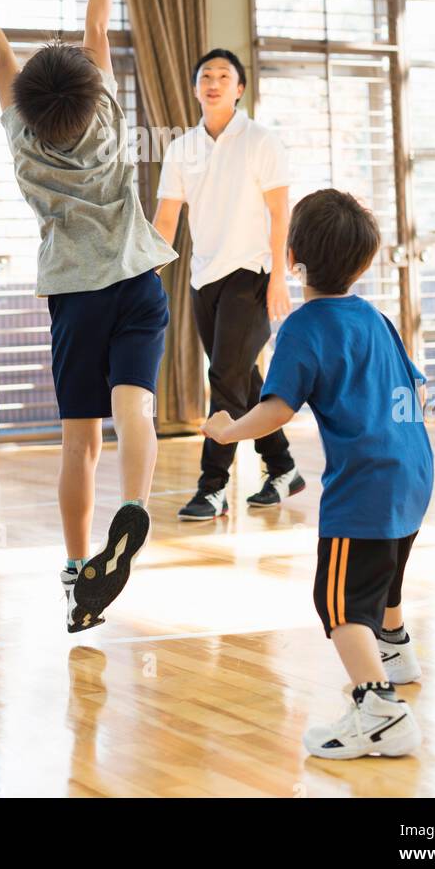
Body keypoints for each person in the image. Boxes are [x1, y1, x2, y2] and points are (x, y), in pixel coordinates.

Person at [0, 0, 177, 633]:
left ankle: (78, 572)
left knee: (79, 441)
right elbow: (97, 23)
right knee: (134, 408)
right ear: (86, 84)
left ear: (28, 102)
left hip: (76, 296)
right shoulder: (105, 111)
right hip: (137, 279)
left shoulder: (20, 132)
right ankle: (132, 506)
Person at [203, 189, 434, 759]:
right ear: (365, 261)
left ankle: (379, 709)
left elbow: (278, 408)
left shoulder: (304, 327)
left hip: (364, 485)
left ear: (292, 256)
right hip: (415, 470)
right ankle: (396, 647)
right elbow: (418, 390)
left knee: (338, 604)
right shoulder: (376, 319)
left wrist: (229, 430)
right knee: (384, 570)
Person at [153, 48, 304, 520]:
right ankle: (282, 468)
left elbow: (282, 213)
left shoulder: (261, 140)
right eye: (205, 76)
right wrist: (143, 275)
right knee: (242, 379)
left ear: (239, 88)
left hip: (252, 274)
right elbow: (165, 219)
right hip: (204, 278)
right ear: (196, 88)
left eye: (224, 75)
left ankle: (212, 486)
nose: (214, 82)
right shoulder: (181, 148)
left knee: (223, 380)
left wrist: (279, 278)